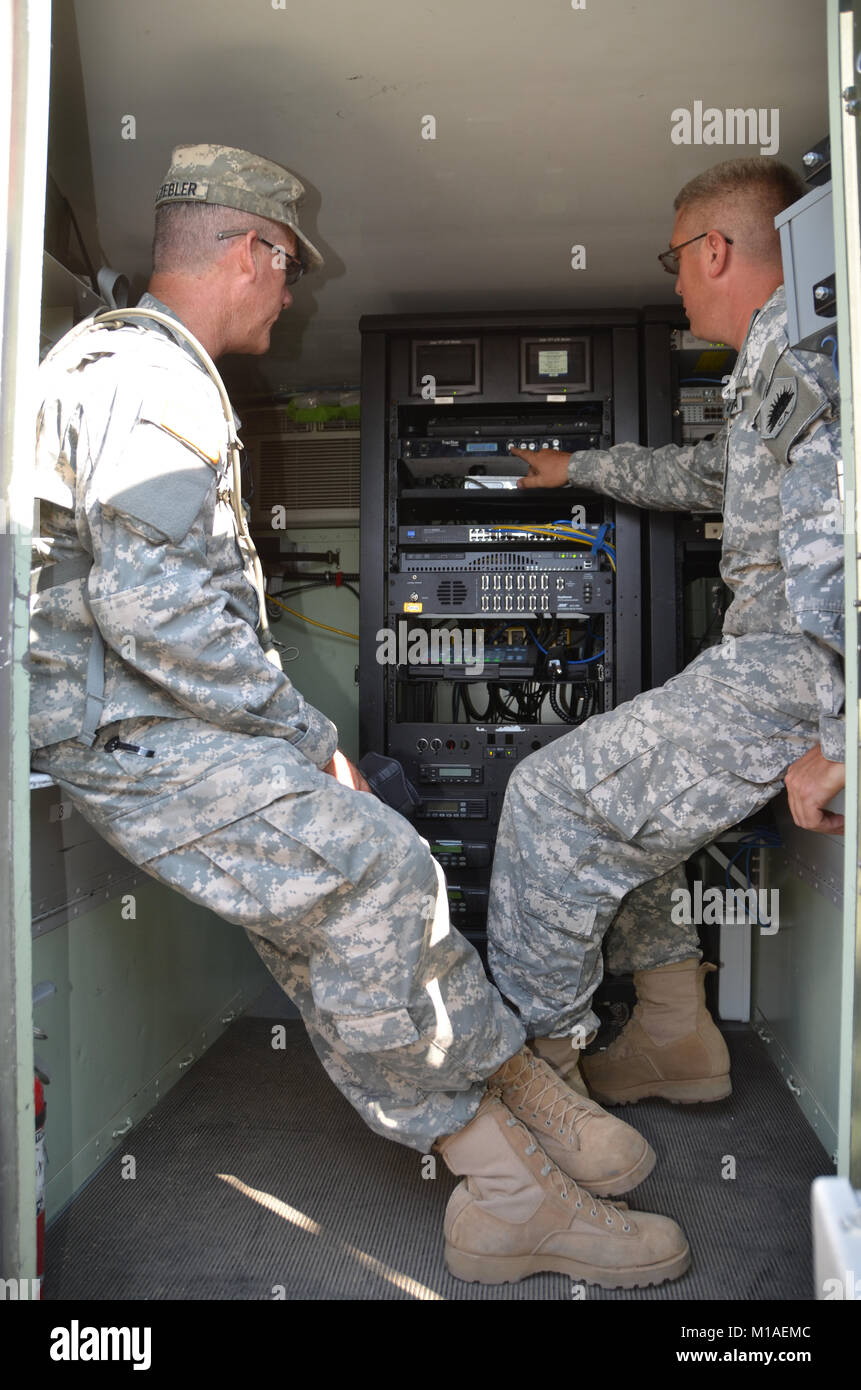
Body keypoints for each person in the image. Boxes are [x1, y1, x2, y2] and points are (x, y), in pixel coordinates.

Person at [29, 144, 690, 1290]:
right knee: (380, 870)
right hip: (128, 730)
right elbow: (159, 617)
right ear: (251, 251)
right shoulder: (152, 375)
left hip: (152, 718)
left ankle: (510, 1092)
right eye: (288, 273)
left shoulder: (142, 369)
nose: (292, 299)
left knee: (339, 907)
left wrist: (305, 744)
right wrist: (308, 741)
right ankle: (506, 1188)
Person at [498, 156, 844, 1108]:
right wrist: (579, 466)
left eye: (674, 259)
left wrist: (842, 738)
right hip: (773, 660)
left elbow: (836, 558)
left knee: (548, 800)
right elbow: (709, 483)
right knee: (622, 822)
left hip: (788, 669)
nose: (676, 280)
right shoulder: (778, 359)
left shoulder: (804, 354)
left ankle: (541, 1095)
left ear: (716, 248)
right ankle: (673, 1037)